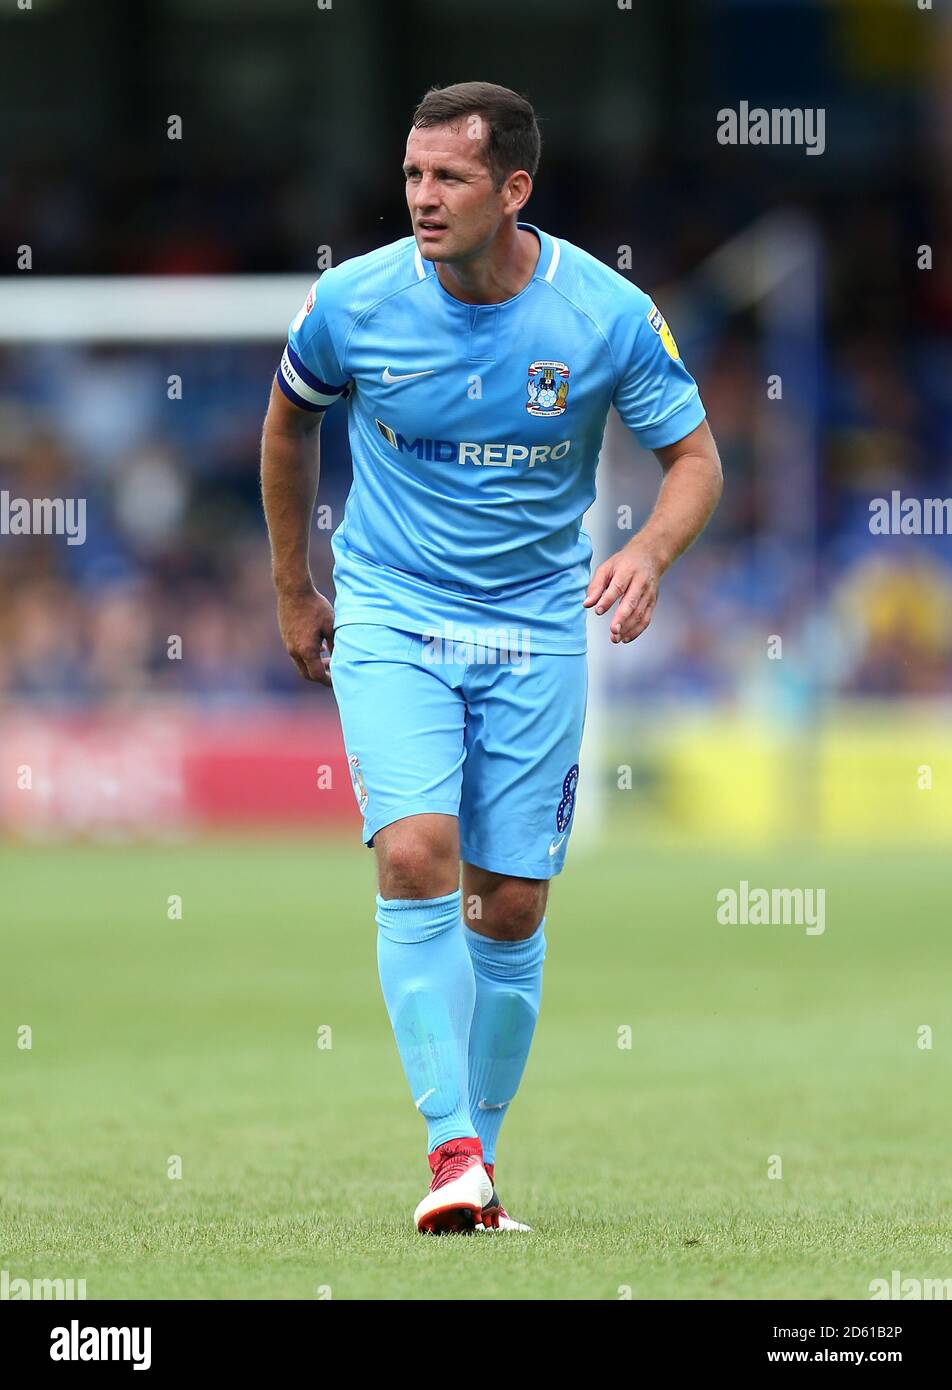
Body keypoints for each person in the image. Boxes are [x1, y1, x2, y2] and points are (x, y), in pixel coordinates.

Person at [260, 81, 722, 1234]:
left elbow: (697, 460)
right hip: (392, 613)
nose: (421, 197)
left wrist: (651, 552)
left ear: (513, 189)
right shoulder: (352, 301)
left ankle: (480, 1169)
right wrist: (290, 587)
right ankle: (448, 1148)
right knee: (415, 851)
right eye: (412, 175)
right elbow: (286, 422)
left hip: (531, 627)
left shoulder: (605, 315)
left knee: (508, 906)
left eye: (448, 178)